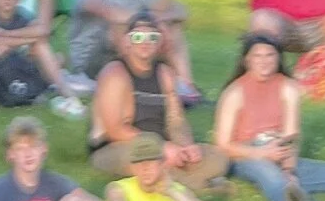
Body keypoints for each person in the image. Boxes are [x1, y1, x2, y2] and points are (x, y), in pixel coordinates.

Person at [212, 30, 325, 201]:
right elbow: (223, 145)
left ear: (278, 58)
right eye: (257, 56)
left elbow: (291, 136)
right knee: (272, 178)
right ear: (247, 60)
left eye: (269, 56)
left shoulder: (288, 87)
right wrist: (262, 153)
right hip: (246, 153)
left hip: (279, 149)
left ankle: (289, 187)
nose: (264, 61)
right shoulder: (234, 93)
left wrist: (289, 169)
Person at [89, 15, 225, 182]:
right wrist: (161, 147)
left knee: (218, 157)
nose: (145, 42)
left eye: (152, 37)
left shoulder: (164, 73)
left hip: (164, 147)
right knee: (149, 162)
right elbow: (115, 130)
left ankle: (180, 178)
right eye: (138, 37)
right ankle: (193, 183)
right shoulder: (114, 73)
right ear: (126, 42)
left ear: (159, 42)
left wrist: (186, 145)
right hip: (120, 146)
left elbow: (176, 120)